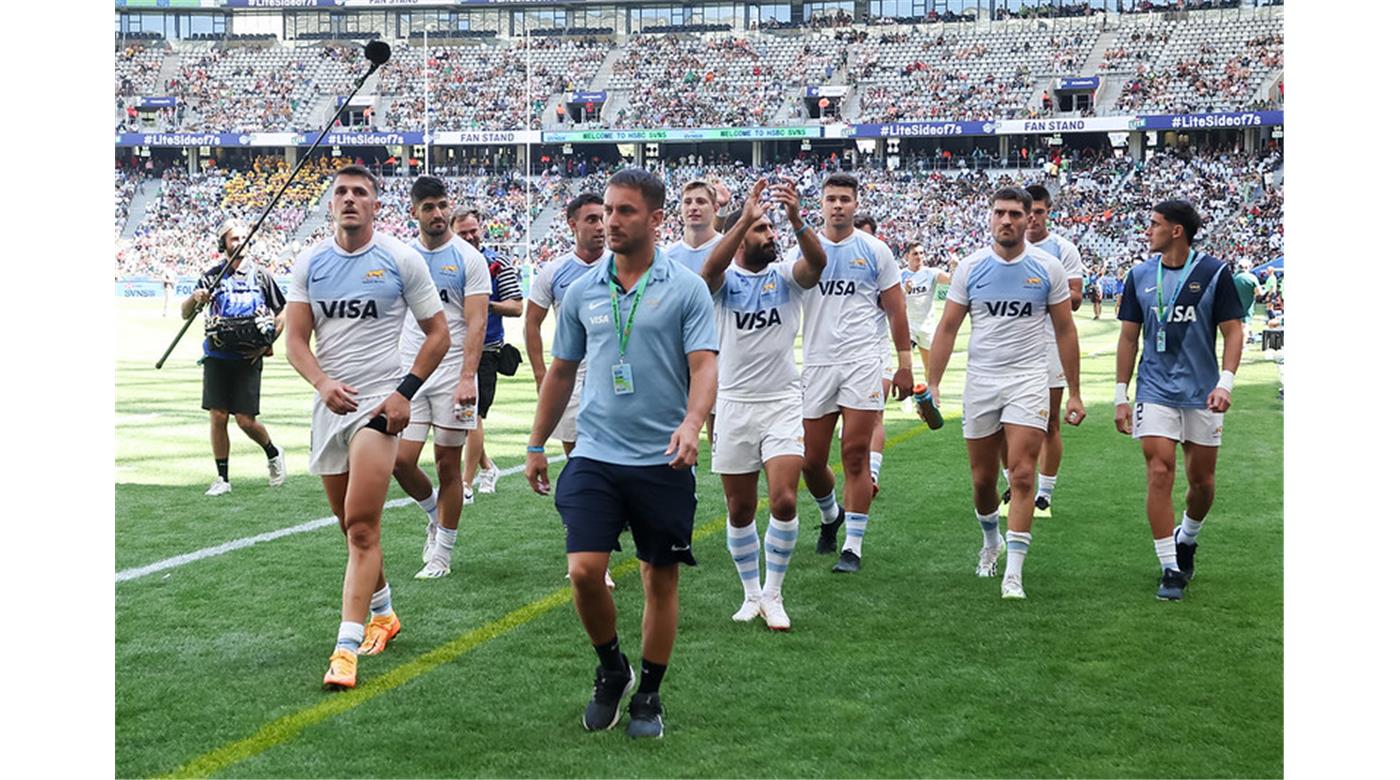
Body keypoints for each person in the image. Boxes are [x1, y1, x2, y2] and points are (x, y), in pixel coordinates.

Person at [524, 168, 718, 739]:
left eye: (625, 211)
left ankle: (650, 696)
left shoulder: (685, 287)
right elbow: (561, 371)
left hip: (663, 458)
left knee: (661, 578)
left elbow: (705, 366)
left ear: (656, 219)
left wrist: (691, 422)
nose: (611, 220)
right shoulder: (583, 290)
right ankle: (613, 668)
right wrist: (537, 442)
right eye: (607, 210)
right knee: (584, 571)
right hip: (596, 453)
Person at [284, 164, 449, 690]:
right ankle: (383, 613)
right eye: (341, 193)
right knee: (346, 523)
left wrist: (404, 393)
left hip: (379, 408)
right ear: (330, 205)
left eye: (361, 193)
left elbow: (438, 334)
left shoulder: (399, 259)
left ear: (377, 205)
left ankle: (345, 650)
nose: (350, 200)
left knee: (360, 526)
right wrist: (322, 383)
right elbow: (294, 342)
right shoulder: (311, 261)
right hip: (329, 407)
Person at [924, 186, 1085, 600]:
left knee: (1023, 473)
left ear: (1029, 218)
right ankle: (990, 540)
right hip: (981, 380)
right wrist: (935, 383)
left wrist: (1075, 393)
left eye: (1016, 213)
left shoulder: (1047, 268)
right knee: (982, 481)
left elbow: (1066, 331)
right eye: (1001, 213)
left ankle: (1014, 573)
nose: (1008, 220)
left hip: (1028, 379)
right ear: (990, 217)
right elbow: (947, 328)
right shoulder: (971, 268)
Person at [698, 177, 826, 630]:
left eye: (772, 230)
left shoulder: (785, 277)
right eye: (762, 230)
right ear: (740, 239)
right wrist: (741, 220)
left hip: (782, 402)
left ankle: (774, 593)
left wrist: (794, 219)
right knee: (738, 509)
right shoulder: (723, 281)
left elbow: (818, 262)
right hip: (733, 403)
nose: (771, 236)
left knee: (786, 499)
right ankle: (750, 593)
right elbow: (707, 273)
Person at [1113, 200, 1243, 601]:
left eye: (1154, 224)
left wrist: (1225, 383)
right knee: (1159, 471)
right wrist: (1121, 395)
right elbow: (1129, 337)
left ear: (1176, 231)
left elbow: (1233, 332)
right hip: (1154, 390)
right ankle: (1170, 567)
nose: (1147, 230)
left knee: (1201, 484)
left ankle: (1187, 537)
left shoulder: (1214, 272)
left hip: (1203, 393)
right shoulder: (1138, 275)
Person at [799, 174, 913, 574]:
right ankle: (832, 516)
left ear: (855, 203)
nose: (838, 206)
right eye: (831, 199)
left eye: (845, 199)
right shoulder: (807, 248)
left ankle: (853, 547)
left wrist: (904, 364)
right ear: (822, 204)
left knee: (854, 454)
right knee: (810, 461)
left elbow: (897, 309)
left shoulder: (875, 251)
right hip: (817, 363)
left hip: (862, 362)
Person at [389, 177, 491, 581]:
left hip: (453, 373)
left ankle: (442, 554)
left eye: (442, 205)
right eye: (428, 207)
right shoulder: (399, 256)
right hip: (410, 373)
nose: (437, 214)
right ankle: (434, 513)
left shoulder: (469, 258)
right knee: (398, 461)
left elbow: (477, 321)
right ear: (414, 211)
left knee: (448, 464)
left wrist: (469, 376)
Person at [182, 219, 288, 497]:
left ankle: (273, 453)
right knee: (218, 416)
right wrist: (196, 298)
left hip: (248, 357)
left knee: (245, 420)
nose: (239, 241)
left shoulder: (262, 276)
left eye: (243, 237)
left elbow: (283, 312)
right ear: (224, 244)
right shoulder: (212, 276)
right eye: (233, 238)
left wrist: (267, 342)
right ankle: (222, 478)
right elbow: (185, 313)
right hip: (217, 354)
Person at [999, 184, 1085, 519]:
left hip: (1049, 343)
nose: (1033, 218)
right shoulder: (1002, 248)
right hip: (1010, 345)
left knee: (1049, 421)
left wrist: (1050, 290)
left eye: (1039, 212)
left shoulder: (1062, 250)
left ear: (1048, 212)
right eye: (1028, 211)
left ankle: (1045, 492)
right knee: (1002, 423)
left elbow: (1075, 298)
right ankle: (1013, 481)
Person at [526, 193, 608, 457]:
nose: (600, 226)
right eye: (592, 219)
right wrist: (541, 374)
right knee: (576, 456)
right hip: (572, 375)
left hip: (613, 371)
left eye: (603, 218)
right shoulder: (554, 272)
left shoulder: (621, 265)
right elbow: (531, 322)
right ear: (572, 224)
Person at [451, 206, 524, 500]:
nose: (470, 237)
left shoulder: (497, 263)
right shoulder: (447, 263)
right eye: (463, 232)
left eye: (473, 230)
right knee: (460, 416)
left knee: (472, 415)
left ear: (482, 229)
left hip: (486, 349)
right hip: (453, 350)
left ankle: (465, 484)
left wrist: (484, 304)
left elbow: (517, 306)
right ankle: (488, 467)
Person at [663, 179, 725, 275]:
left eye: (701, 202)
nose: (693, 207)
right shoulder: (668, 256)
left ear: (715, 208)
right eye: (687, 202)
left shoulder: (727, 249)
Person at [1232, 260, 1263, 344]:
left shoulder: (1233, 277)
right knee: (1245, 326)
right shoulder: (1251, 277)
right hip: (1247, 306)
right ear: (1248, 267)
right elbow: (1259, 293)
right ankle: (1242, 346)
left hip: (1232, 306)